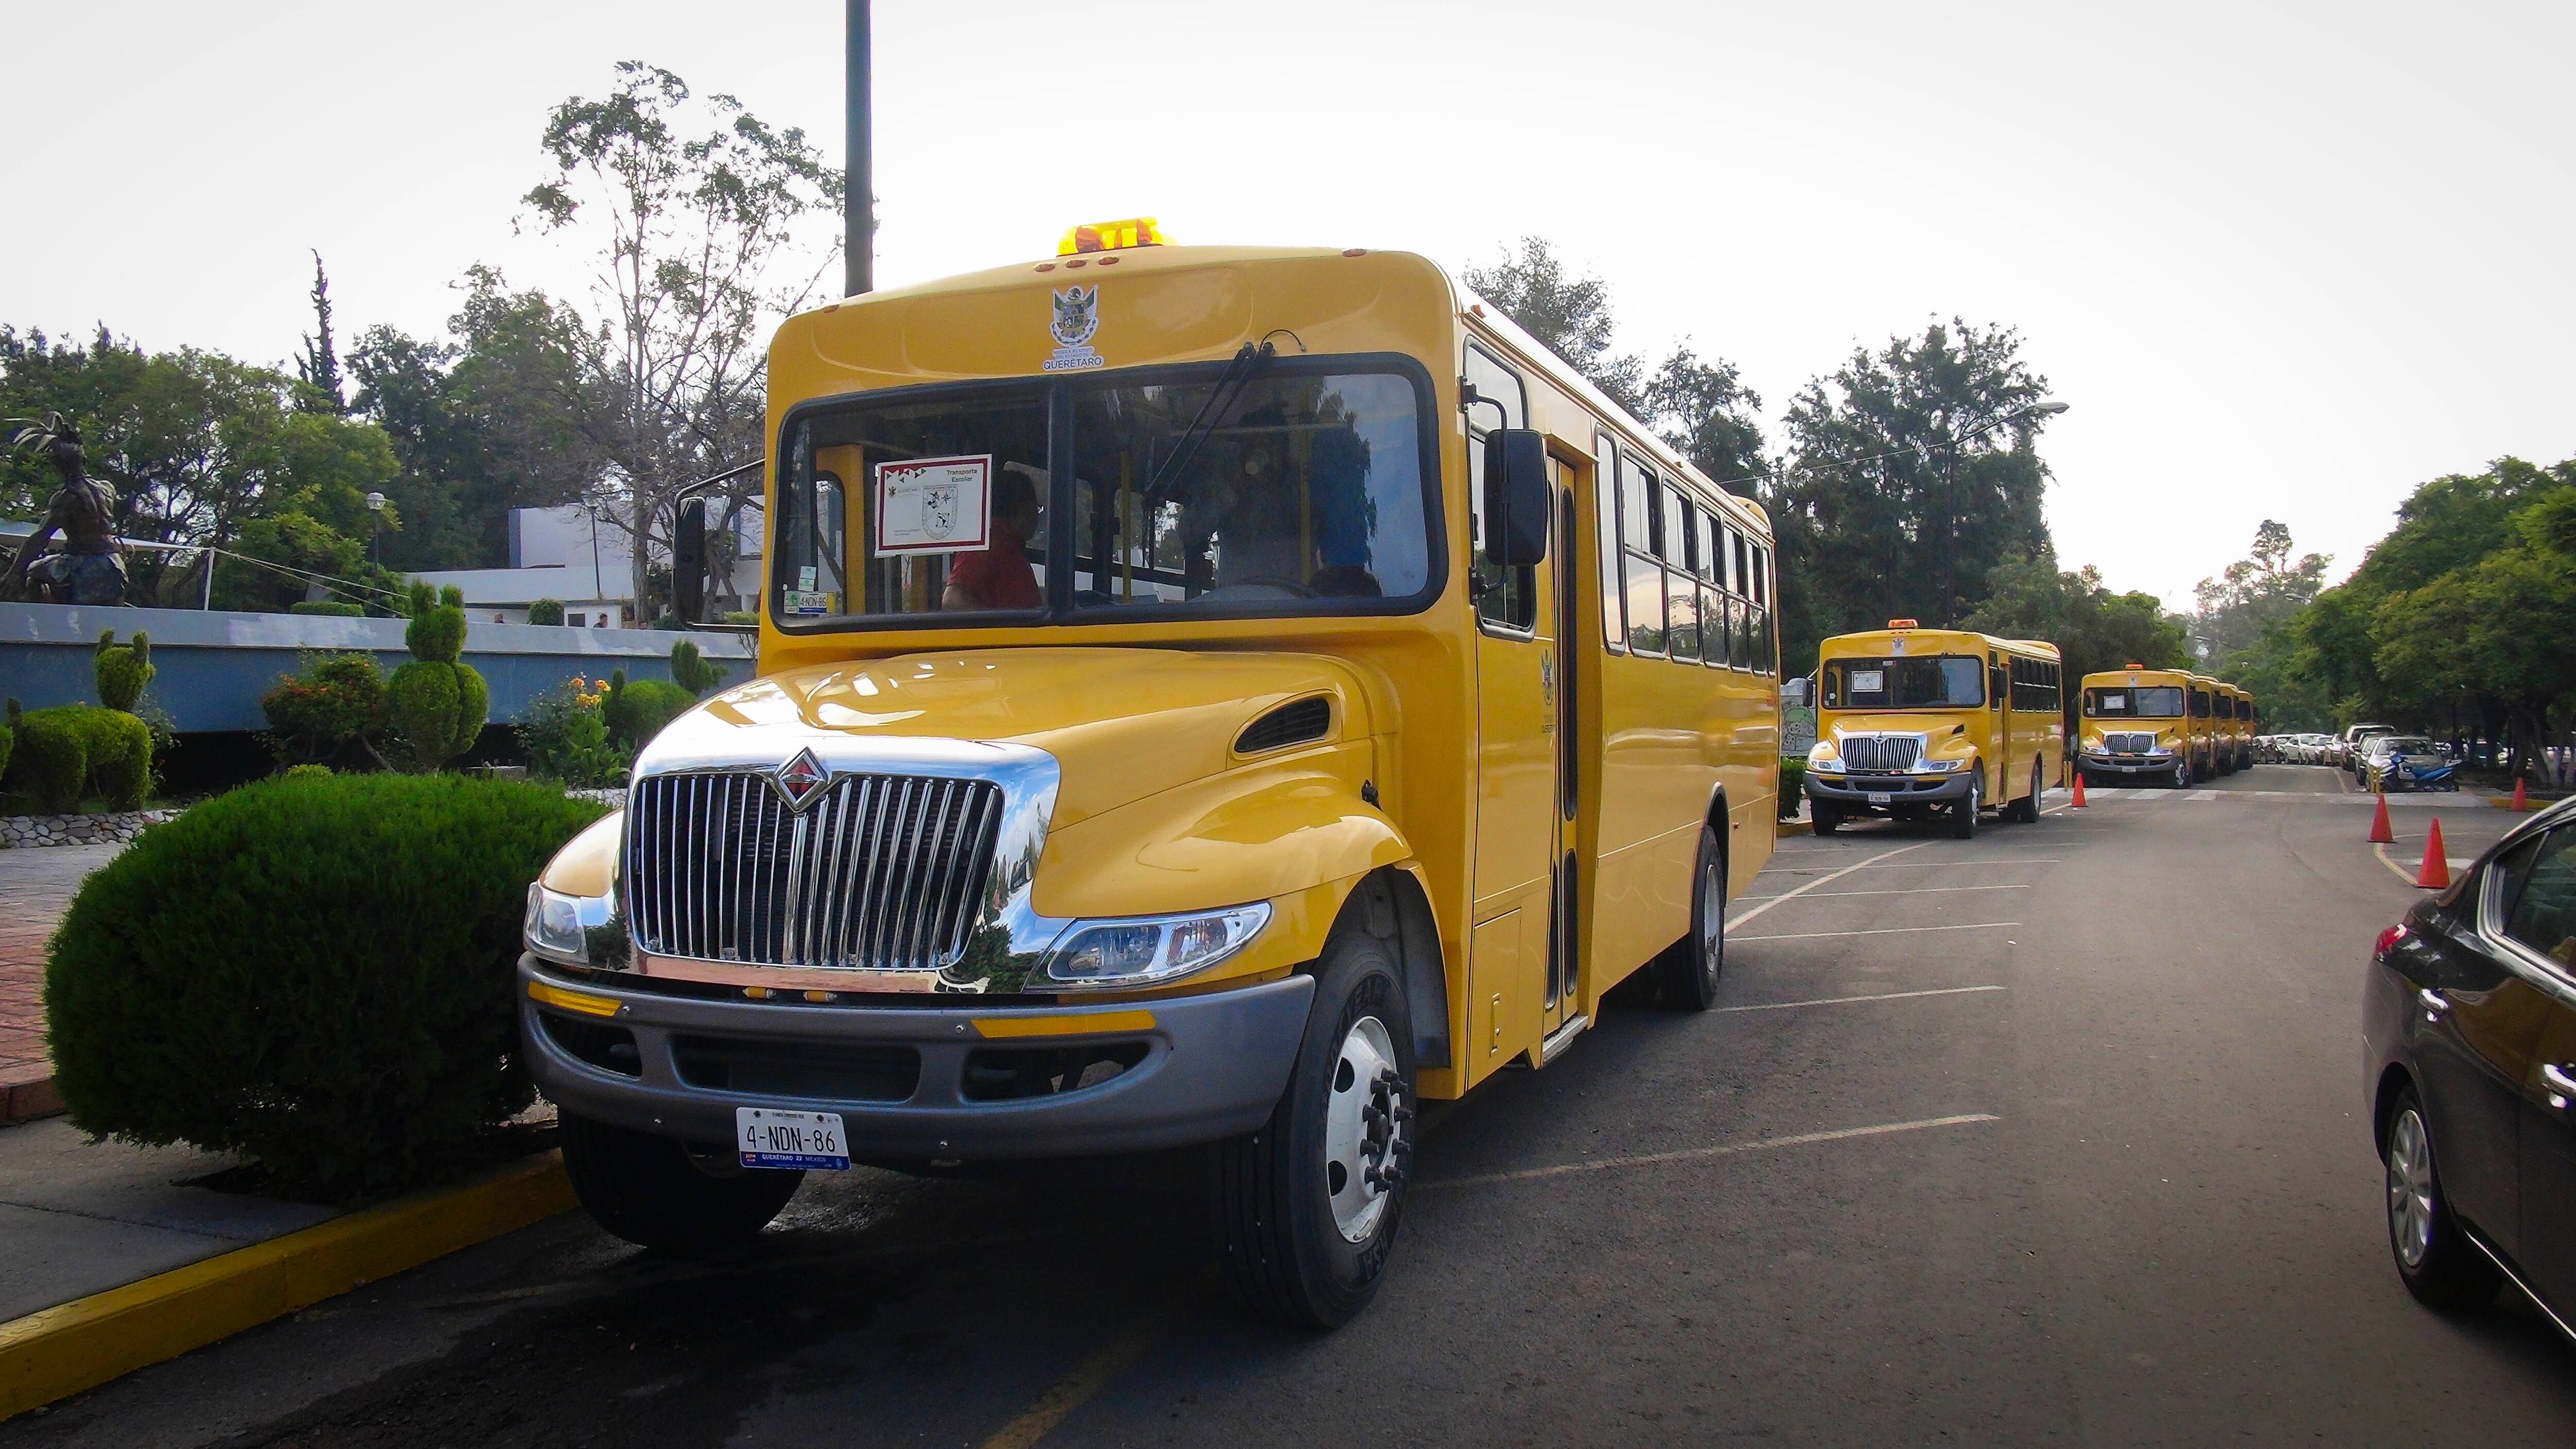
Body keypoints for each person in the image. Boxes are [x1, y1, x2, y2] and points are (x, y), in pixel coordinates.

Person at [1, 413, 126, 604]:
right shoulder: (107, 487)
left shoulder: (66, 498)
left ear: (58, 467)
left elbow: (40, 538)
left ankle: (45, 622)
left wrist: (13, 572)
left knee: (33, 572)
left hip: (83, 563)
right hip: (112, 561)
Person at [942, 469, 1042, 610]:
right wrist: (1001, 630)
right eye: (1037, 510)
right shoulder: (990, 543)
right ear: (1024, 510)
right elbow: (954, 599)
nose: (1037, 519)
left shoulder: (1010, 545)